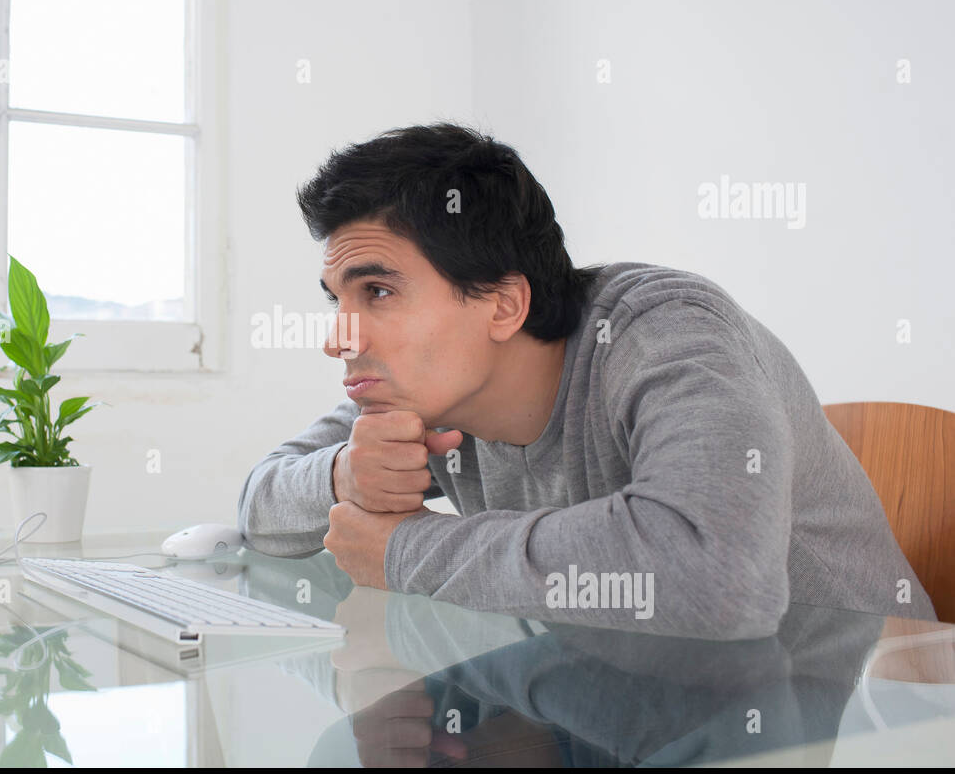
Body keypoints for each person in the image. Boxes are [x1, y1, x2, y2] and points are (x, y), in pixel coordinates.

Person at [236, 122, 936, 639]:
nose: (338, 337)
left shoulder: (665, 333)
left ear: (504, 305)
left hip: (872, 718)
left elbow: (714, 579)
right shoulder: (427, 394)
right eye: (337, 300)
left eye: (378, 293)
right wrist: (345, 478)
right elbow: (259, 501)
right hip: (643, 700)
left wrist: (405, 550)